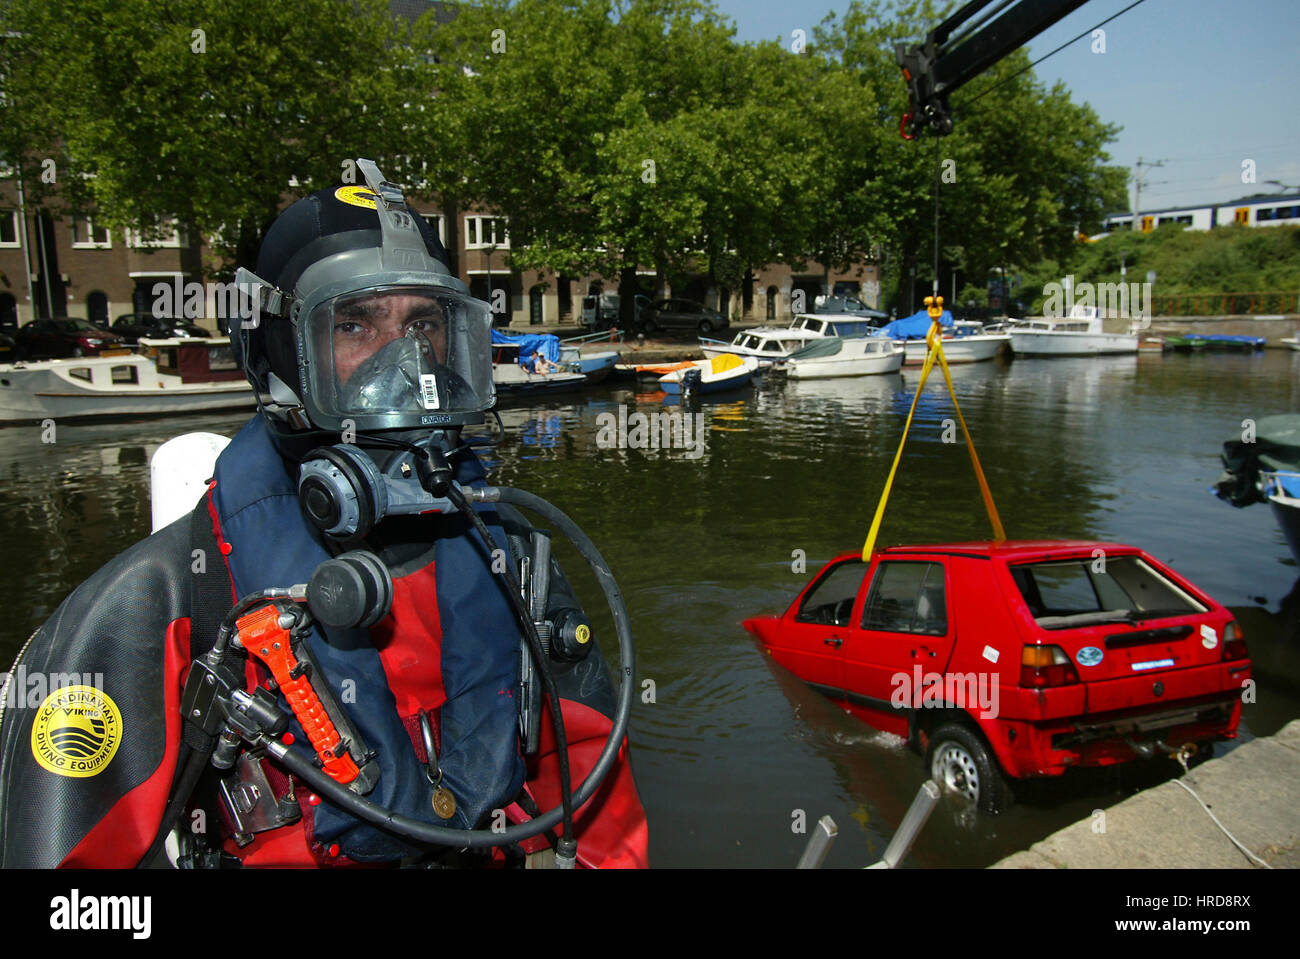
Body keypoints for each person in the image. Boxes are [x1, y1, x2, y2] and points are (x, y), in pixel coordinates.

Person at [0, 162, 648, 868]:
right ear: (276, 350)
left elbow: (602, 821)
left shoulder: (515, 562)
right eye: (354, 325)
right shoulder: (160, 606)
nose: (403, 364)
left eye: (424, 324)